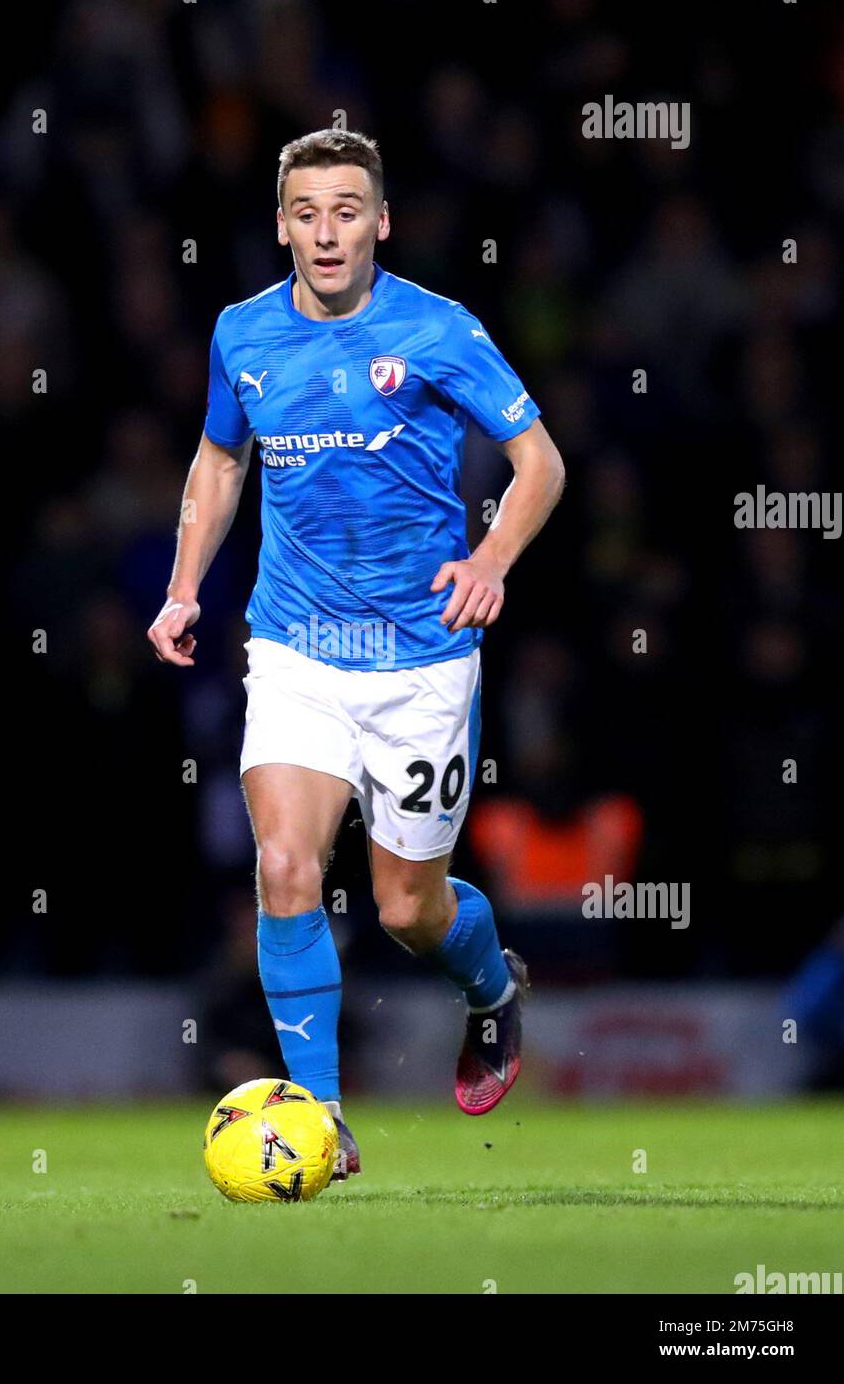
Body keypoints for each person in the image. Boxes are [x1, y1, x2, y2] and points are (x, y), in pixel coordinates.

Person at [148, 129, 565, 1181]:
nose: (325, 230)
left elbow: (538, 461)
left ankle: (489, 991)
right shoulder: (241, 334)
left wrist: (491, 557)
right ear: (281, 223)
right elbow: (215, 456)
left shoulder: (437, 327)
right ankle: (320, 1120)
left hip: (423, 658)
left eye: (346, 209)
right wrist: (185, 584)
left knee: (405, 909)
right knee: (284, 867)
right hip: (295, 649)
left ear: (378, 221)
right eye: (305, 211)